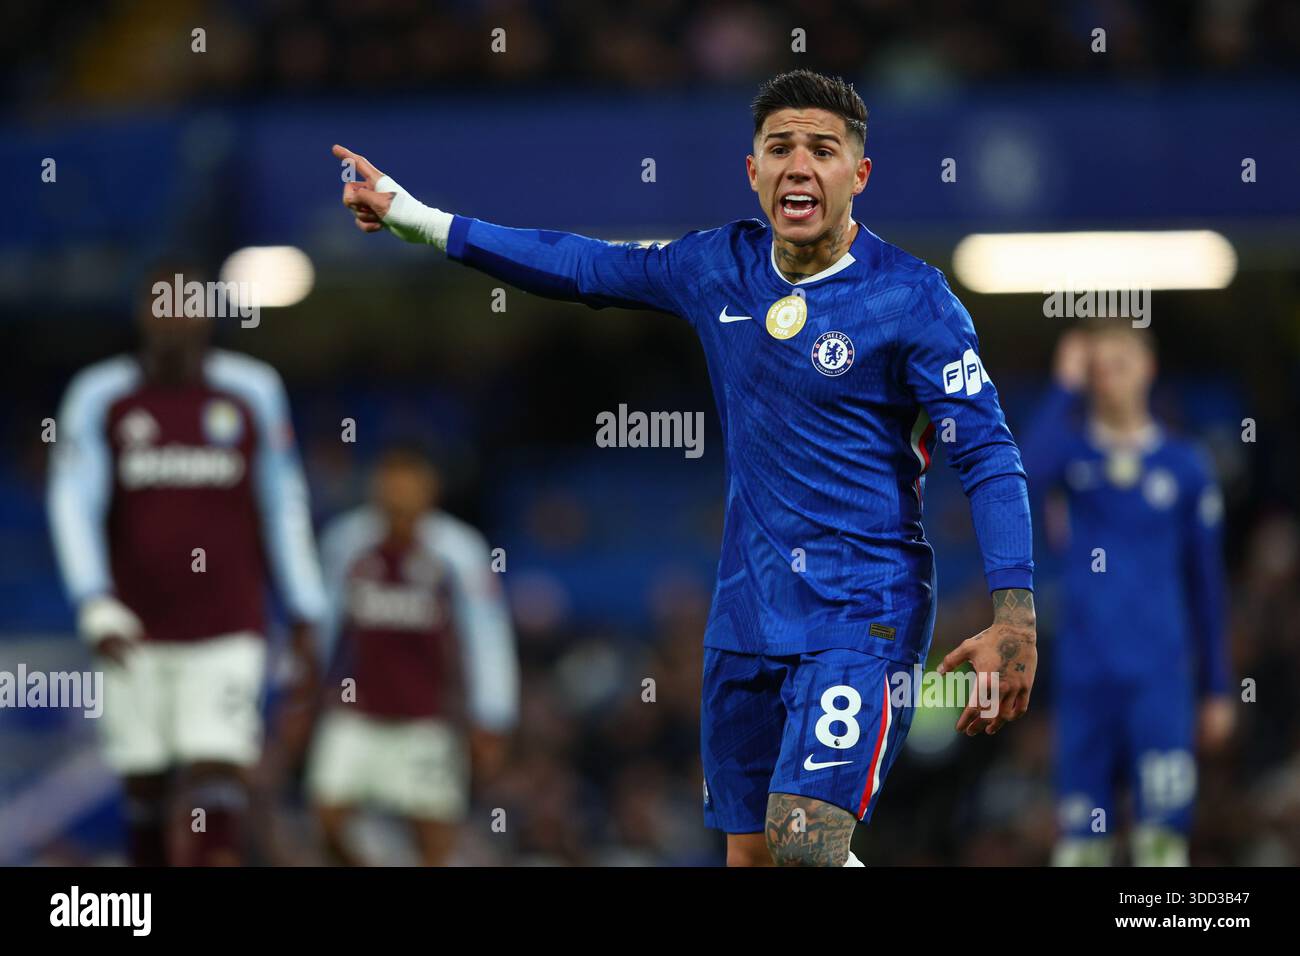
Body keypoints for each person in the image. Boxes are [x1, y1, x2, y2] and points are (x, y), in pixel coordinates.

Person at [332, 69, 1037, 867]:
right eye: (780, 148)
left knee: (803, 843)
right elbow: (579, 265)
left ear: (858, 175)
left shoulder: (914, 301)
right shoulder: (716, 267)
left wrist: (1014, 615)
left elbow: (987, 452)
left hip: (860, 613)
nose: (799, 165)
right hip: (745, 617)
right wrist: (418, 219)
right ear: (753, 171)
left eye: (822, 149)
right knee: (751, 860)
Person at [47, 267, 326, 865]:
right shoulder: (100, 395)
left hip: (228, 627)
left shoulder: (251, 390)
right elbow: (73, 501)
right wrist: (93, 599)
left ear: (209, 313)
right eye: (161, 302)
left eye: (188, 302)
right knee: (144, 781)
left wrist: (304, 603)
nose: (174, 314)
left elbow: (282, 501)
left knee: (217, 765)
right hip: (134, 630)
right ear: (141, 312)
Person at [1021, 325, 1233, 866]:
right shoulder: (1071, 457)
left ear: (1148, 368)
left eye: (1122, 363)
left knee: (1161, 841)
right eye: (1099, 367)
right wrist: (1064, 387)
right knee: (1080, 841)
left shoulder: (1184, 467)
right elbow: (1021, 480)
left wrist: (1216, 687)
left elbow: (1207, 584)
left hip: (1160, 677)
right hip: (1086, 675)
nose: (1110, 377)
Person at [306, 444, 519, 865]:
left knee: (434, 839)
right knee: (326, 816)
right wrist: (303, 690)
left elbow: (487, 637)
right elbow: (323, 623)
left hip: (429, 721)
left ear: (429, 491)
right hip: (357, 713)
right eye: (391, 487)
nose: (399, 498)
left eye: (409, 488)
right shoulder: (347, 543)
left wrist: (492, 716)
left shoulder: (459, 552)